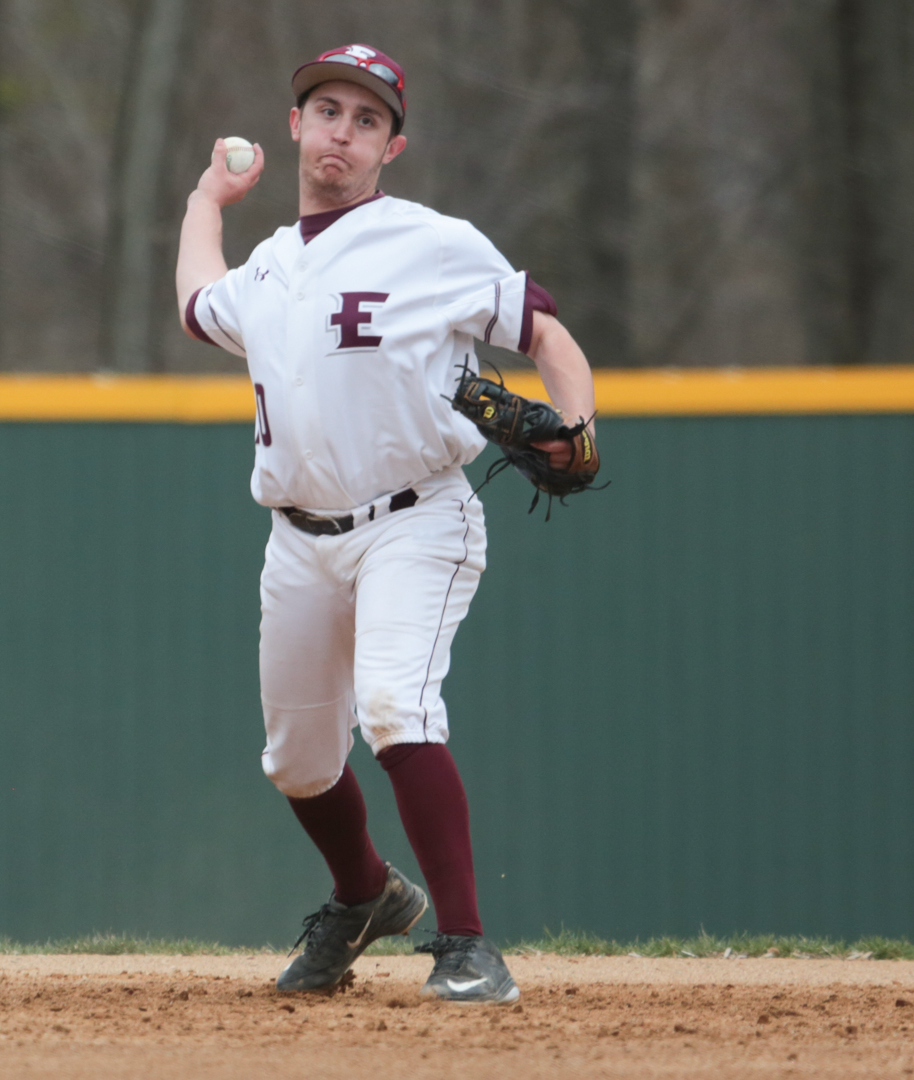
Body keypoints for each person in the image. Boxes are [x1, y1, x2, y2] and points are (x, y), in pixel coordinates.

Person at [173, 43, 598, 1005]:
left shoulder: (431, 242)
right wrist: (206, 201)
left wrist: (578, 427)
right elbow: (198, 303)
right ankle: (365, 895)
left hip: (416, 521)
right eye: (328, 111)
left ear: (390, 148)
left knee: (397, 709)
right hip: (299, 539)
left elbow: (547, 335)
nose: (344, 132)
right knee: (297, 763)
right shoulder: (269, 268)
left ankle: (469, 946)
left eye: (368, 121)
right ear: (296, 126)